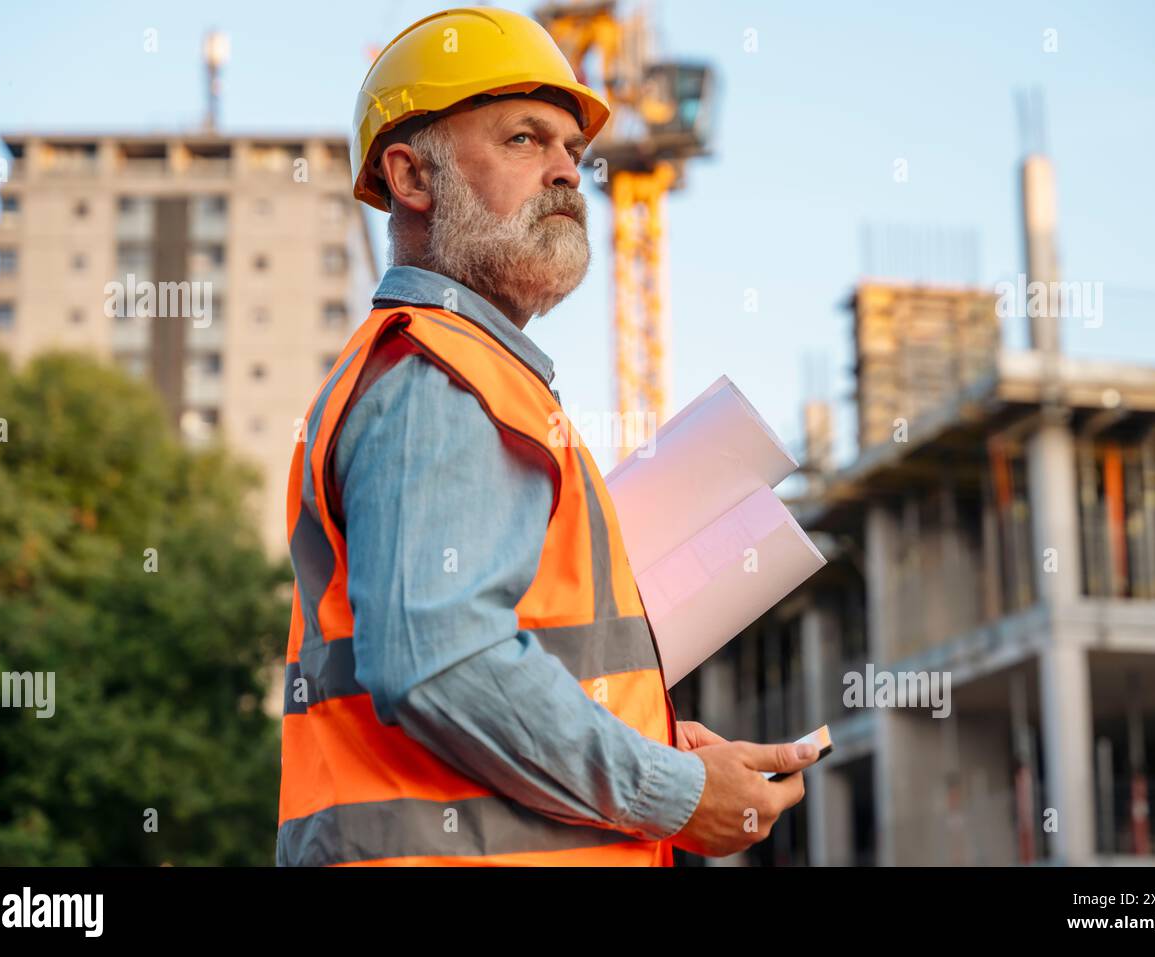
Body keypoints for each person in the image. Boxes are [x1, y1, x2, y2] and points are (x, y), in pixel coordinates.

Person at [276, 5, 817, 867]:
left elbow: (484, 678)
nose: (569, 172)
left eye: (574, 149)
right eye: (526, 140)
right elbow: (438, 660)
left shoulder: (475, 377)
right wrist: (676, 795)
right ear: (413, 178)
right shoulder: (438, 378)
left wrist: (652, 745)